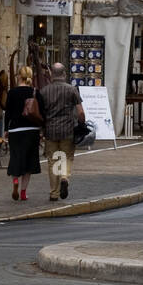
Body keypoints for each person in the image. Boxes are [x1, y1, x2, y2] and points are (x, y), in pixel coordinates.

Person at [42, 62, 85, 201]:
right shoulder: (72, 90)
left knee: (53, 161)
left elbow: (41, 113)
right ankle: (64, 177)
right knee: (67, 157)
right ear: (64, 74)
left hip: (51, 130)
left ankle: (54, 193)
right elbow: (80, 112)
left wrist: (41, 129)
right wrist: (81, 124)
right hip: (67, 130)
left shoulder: (44, 91)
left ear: (51, 74)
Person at [4, 65, 46, 203]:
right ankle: (23, 192)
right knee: (29, 161)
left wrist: (6, 129)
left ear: (18, 76)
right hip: (32, 131)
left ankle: (15, 179)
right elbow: (42, 113)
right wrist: (42, 130)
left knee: (15, 157)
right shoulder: (35, 92)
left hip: (15, 130)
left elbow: (8, 113)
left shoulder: (12, 93)